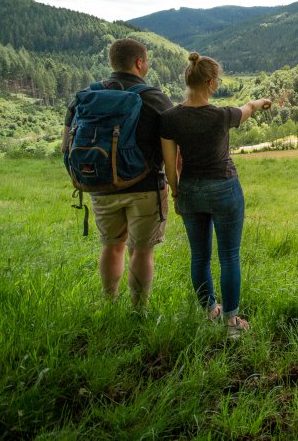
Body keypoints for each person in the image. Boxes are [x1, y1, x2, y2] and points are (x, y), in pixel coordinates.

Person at [160, 52, 271, 337]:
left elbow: (170, 164)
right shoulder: (222, 115)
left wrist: (175, 193)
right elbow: (247, 108)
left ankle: (210, 310)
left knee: (199, 257)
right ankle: (232, 323)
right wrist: (260, 103)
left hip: (191, 191)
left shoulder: (169, 118)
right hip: (224, 188)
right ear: (210, 82)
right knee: (229, 256)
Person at [62, 38, 173, 307]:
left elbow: (66, 147)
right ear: (139, 63)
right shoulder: (154, 98)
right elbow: (172, 147)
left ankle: (109, 303)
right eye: (146, 61)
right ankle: (139, 310)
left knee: (112, 247)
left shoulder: (85, 98)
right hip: (145, 187)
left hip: (100, 186)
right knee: (142, 251)